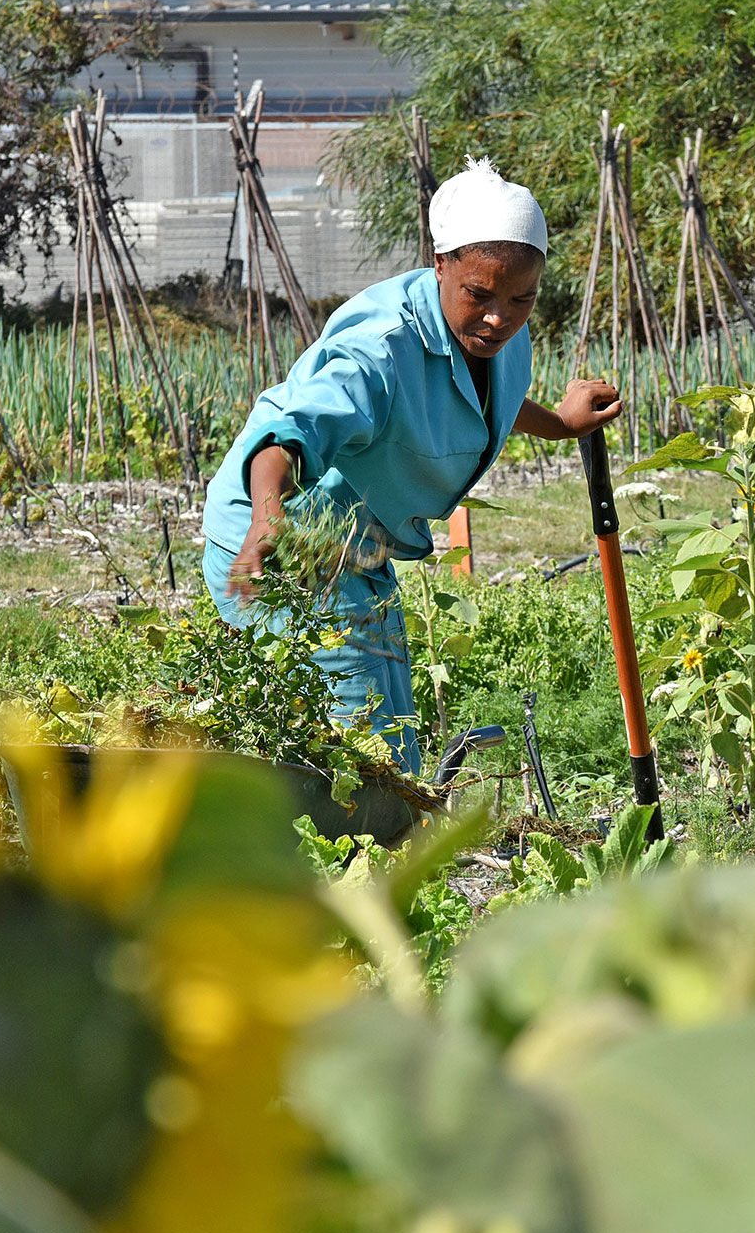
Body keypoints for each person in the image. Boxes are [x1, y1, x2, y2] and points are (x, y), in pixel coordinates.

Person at [200, 159, 622, 774]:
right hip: (284, 542)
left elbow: (478, 402)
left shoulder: (497, 335)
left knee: (392, 726)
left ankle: (376, 851)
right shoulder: (381, 345)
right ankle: (343, 862)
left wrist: (560, 423)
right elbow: (288, 436)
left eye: (521, 298)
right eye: (479, 294)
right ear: (441, 264)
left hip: (354, 548)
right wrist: (268, 519)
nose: (499, 316)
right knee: (355, 746)